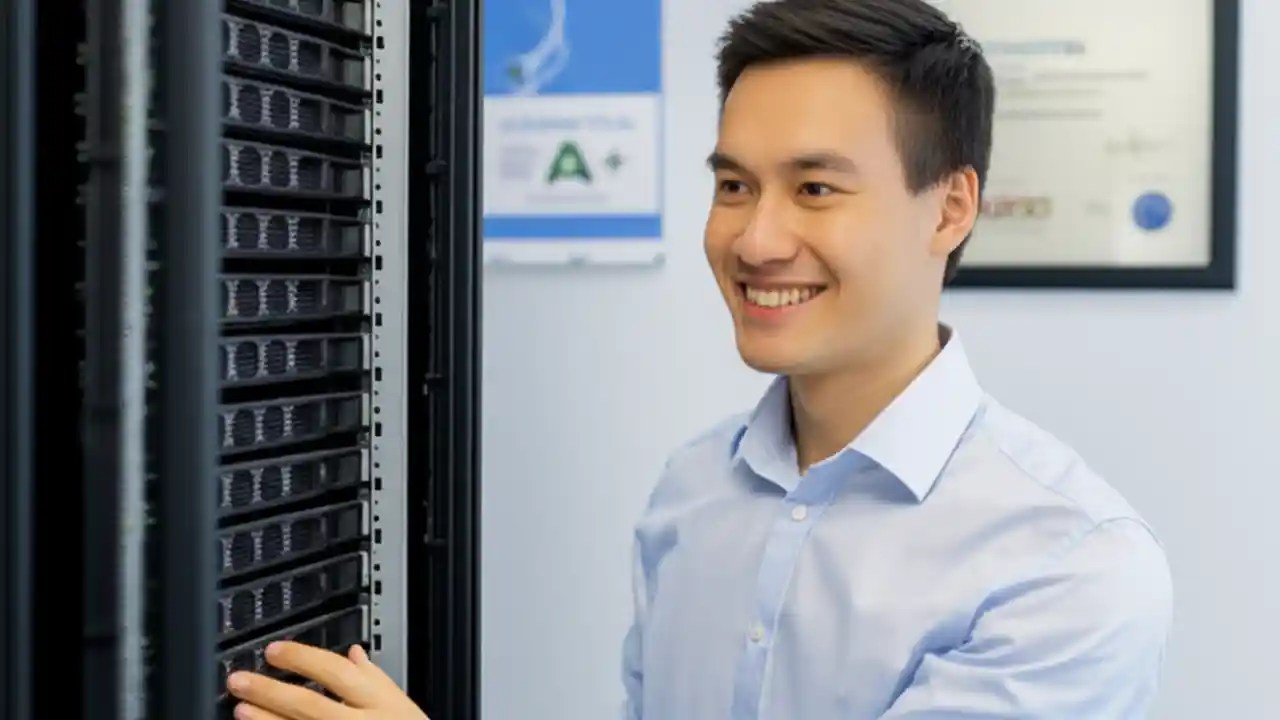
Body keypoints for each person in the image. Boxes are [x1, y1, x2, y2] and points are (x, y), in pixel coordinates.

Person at [226, 0, 1173, 718]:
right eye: (734, 185)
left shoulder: (1066, 569)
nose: (755, 240)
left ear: (951, 208)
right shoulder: (694, 492)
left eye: (814, 188)